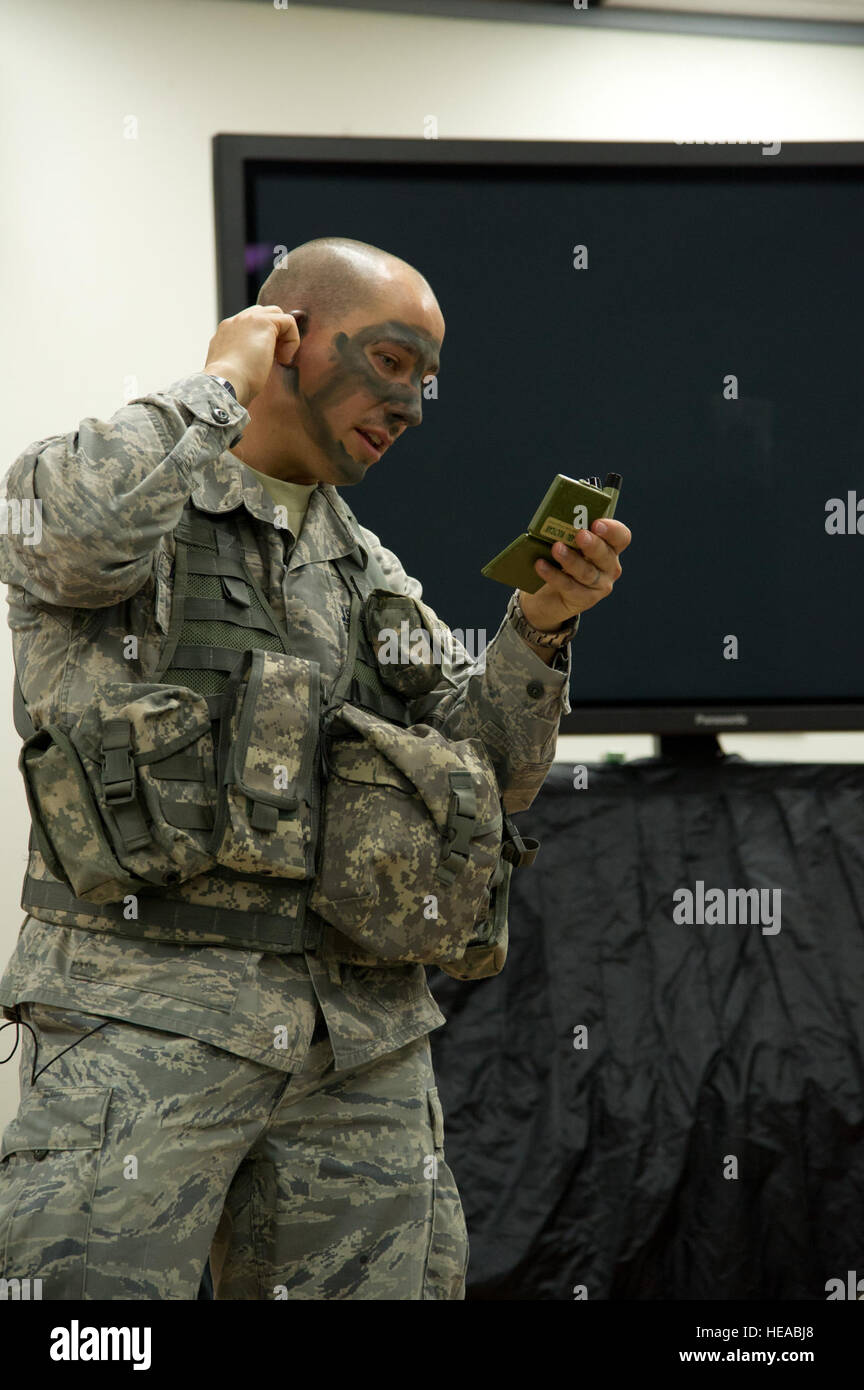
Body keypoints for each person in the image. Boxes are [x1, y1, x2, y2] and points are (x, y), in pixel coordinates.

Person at [0, 237, 631, 1300]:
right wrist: (219, 382)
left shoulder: (365, 569)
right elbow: (69, 535)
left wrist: (541, 626)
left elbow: (485, 769)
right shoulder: (113, 495)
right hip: (144, 1027)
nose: (412, 408)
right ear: (287, 336)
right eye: (390, 364)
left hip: (358, 1048)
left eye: (428, 384)